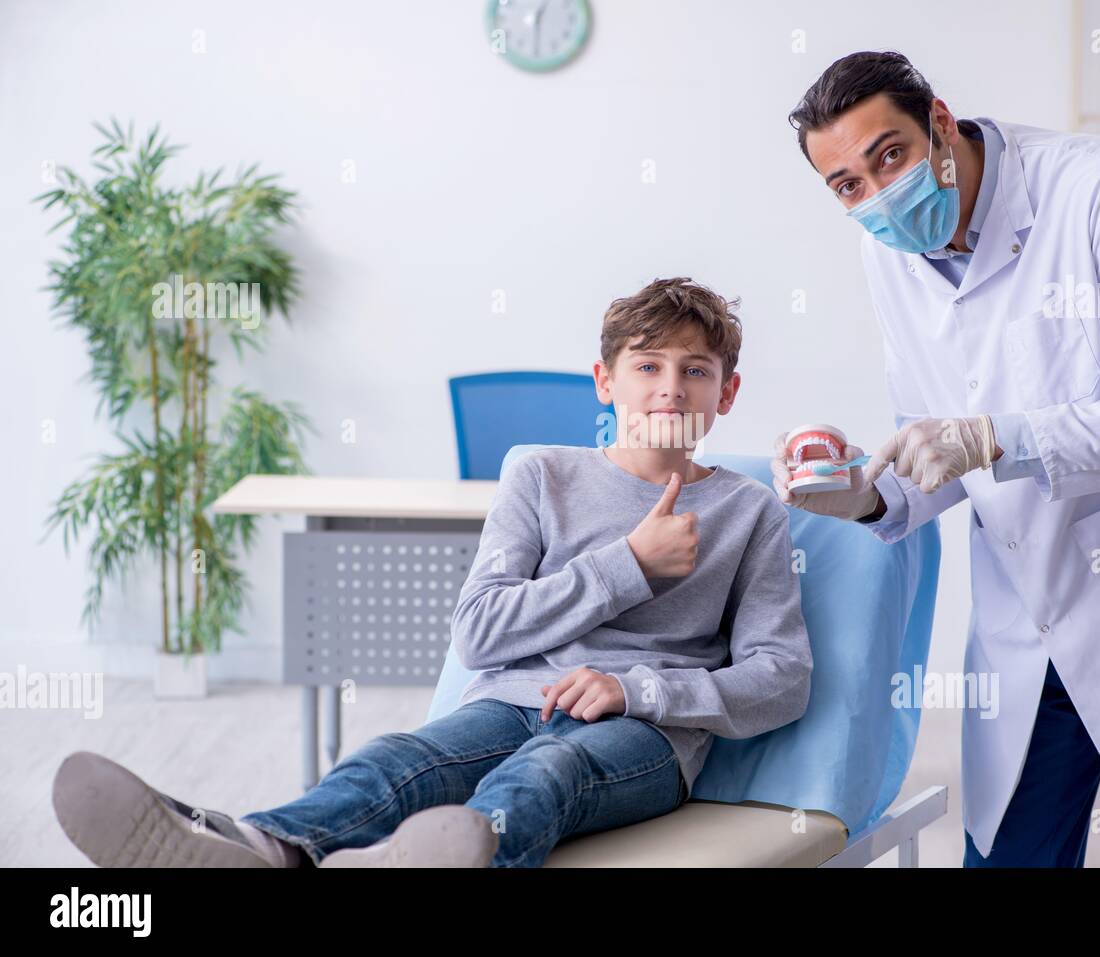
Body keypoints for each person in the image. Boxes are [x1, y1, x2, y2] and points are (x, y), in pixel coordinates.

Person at [53, 276, 812, 868]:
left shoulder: (749, 511)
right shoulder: (541, 474)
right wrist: (628, 566)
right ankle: (262, 848)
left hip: (648, 733)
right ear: (604, 381)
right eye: (647, 364)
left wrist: (635, 688)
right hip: (514, 701)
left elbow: (781, 677)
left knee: (548, 772)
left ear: (727, 392)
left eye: (695, 369)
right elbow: (479, 634)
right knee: (400, 760)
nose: (670, 387)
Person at [772, 50, 1100, 866]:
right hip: (1031, 618)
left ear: (940, 122)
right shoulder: (885, 252)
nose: (877, 194)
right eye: (847, 184)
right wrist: (867, 497)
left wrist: (993, 437)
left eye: (891, 154)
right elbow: (933, 440)